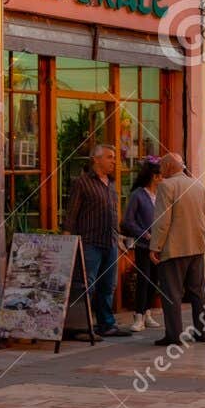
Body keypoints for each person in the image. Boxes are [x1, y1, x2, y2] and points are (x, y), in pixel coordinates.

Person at [64, 143, 128, 338]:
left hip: (110, 241)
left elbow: (113, 212)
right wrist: (68, 240)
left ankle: (106, 324)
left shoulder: (110, 184)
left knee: (107, 286)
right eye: (109, 157)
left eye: (114, 157)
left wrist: (119, 237)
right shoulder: (82, 183)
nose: (114, 161)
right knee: (85, 284)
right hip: (90, 242)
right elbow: (72, 214)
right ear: (96, 159)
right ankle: (80, 326)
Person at [149, 153, 205, 347]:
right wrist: (203, 235)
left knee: (172, 293)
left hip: (174, 248)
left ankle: (173, 335)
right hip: (197, 247)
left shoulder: (166, 186)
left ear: (168, 167)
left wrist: (155, 246)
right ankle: (203, 331)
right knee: (197, 292)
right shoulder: (198, 185)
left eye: (162, 167)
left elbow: (162, 221)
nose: (160, 171)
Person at [120, 157, 163, 332]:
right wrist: (144, 234)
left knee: (154, 280)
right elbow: (128, 221)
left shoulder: (161, 195)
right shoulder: (138, 195)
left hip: (159, 246)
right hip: (144, 245)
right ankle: (138, 316)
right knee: (143, 280)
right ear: (154, 176)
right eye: (161, 175)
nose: (163, 178)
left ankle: (147, 313)